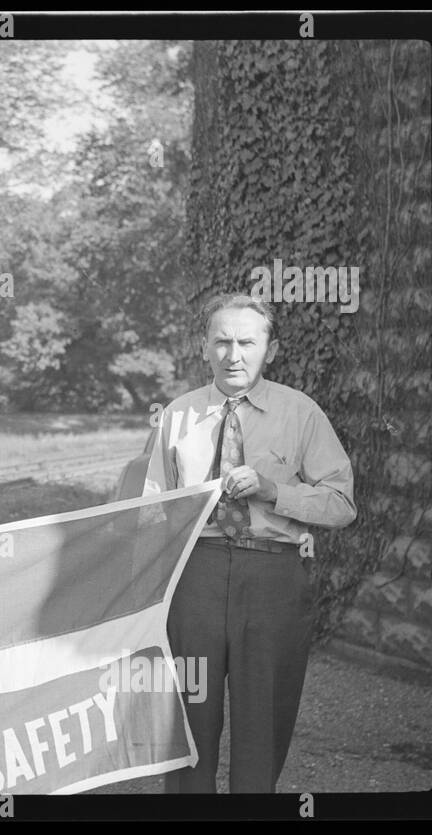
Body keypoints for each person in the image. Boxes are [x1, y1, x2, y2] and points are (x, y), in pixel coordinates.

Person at [142, 293, 356, 793]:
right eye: (221, 341)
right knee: (187, 721)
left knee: (264, 718)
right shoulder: (177, 415)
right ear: (204, 348)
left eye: (246, 342)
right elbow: (150, 512)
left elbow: (341, 503)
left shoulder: (300, 413)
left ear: (271, 349)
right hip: (194, 575)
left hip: (273, 577)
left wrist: (273, 490)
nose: (232, 354)